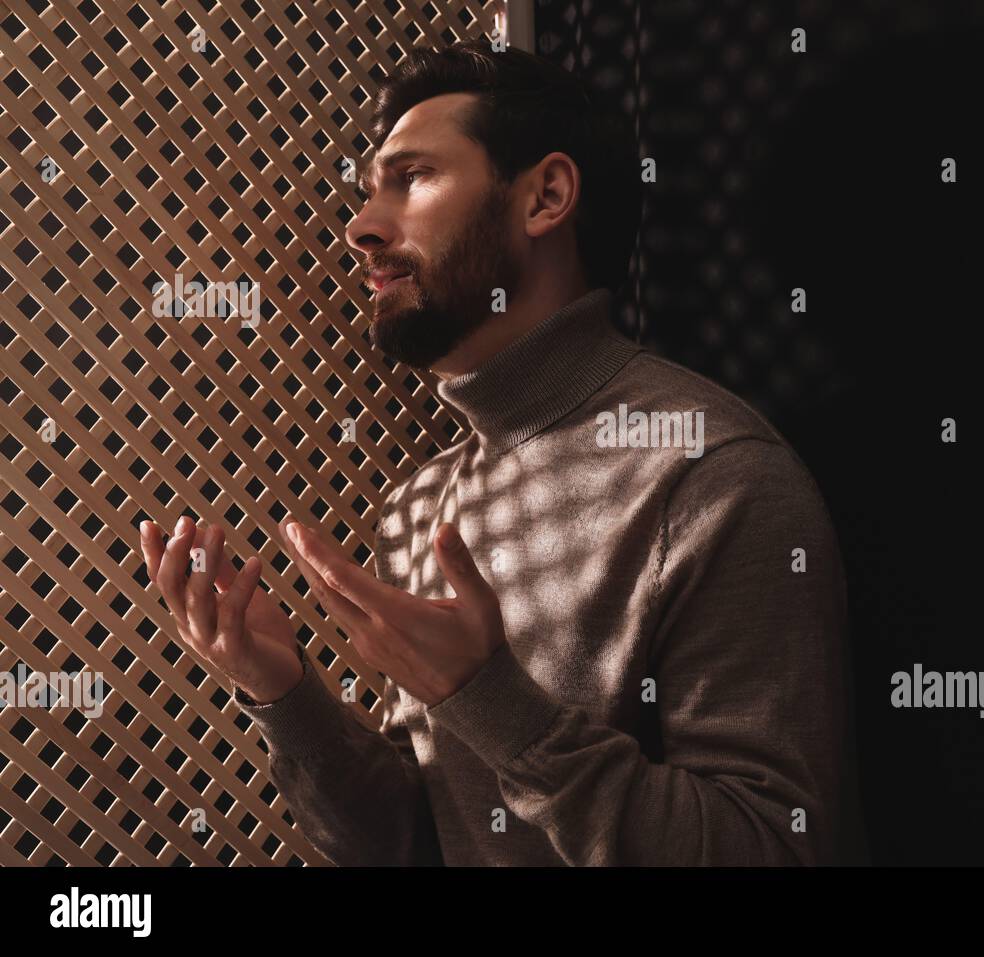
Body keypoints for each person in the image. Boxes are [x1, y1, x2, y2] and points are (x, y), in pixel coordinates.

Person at [136, 36, 865, 866]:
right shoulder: (422, 503)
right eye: (371, 191)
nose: (362, 228)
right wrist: (286, 695)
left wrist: (490, 698)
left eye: (413, 179)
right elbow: (421, 845)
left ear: (546, 196)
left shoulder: (713, 475)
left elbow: (769, 848)